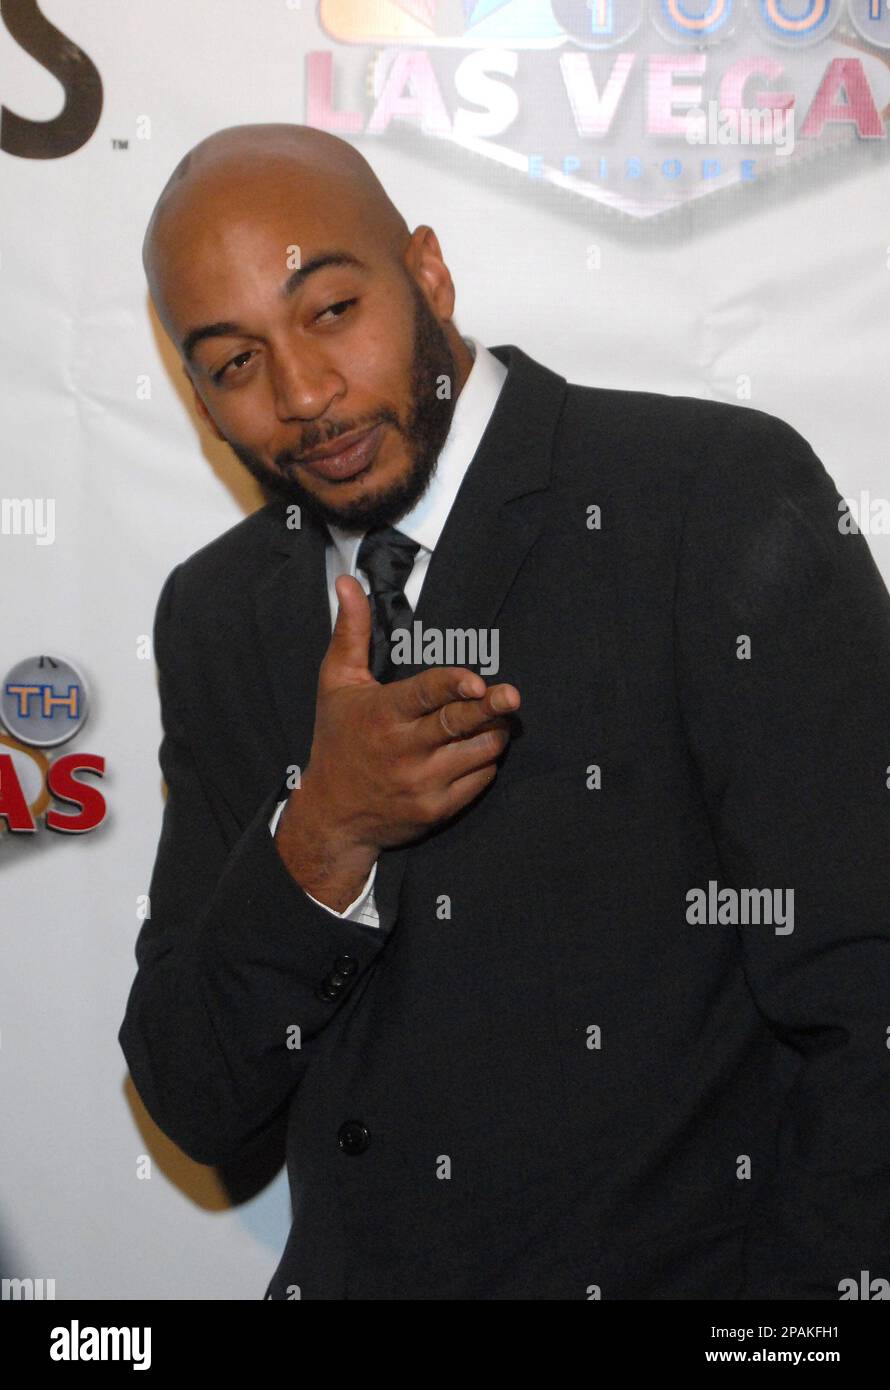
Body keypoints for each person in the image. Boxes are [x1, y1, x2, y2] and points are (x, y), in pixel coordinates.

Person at [119, 122, 890, 1300]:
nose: (305, 394)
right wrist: (322, 834)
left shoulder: (700, 495)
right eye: (233, 362)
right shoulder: (219, 612)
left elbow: (866, 999)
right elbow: (197, 1093)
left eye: (330, 310)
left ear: (426, 270)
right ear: (197, 394)